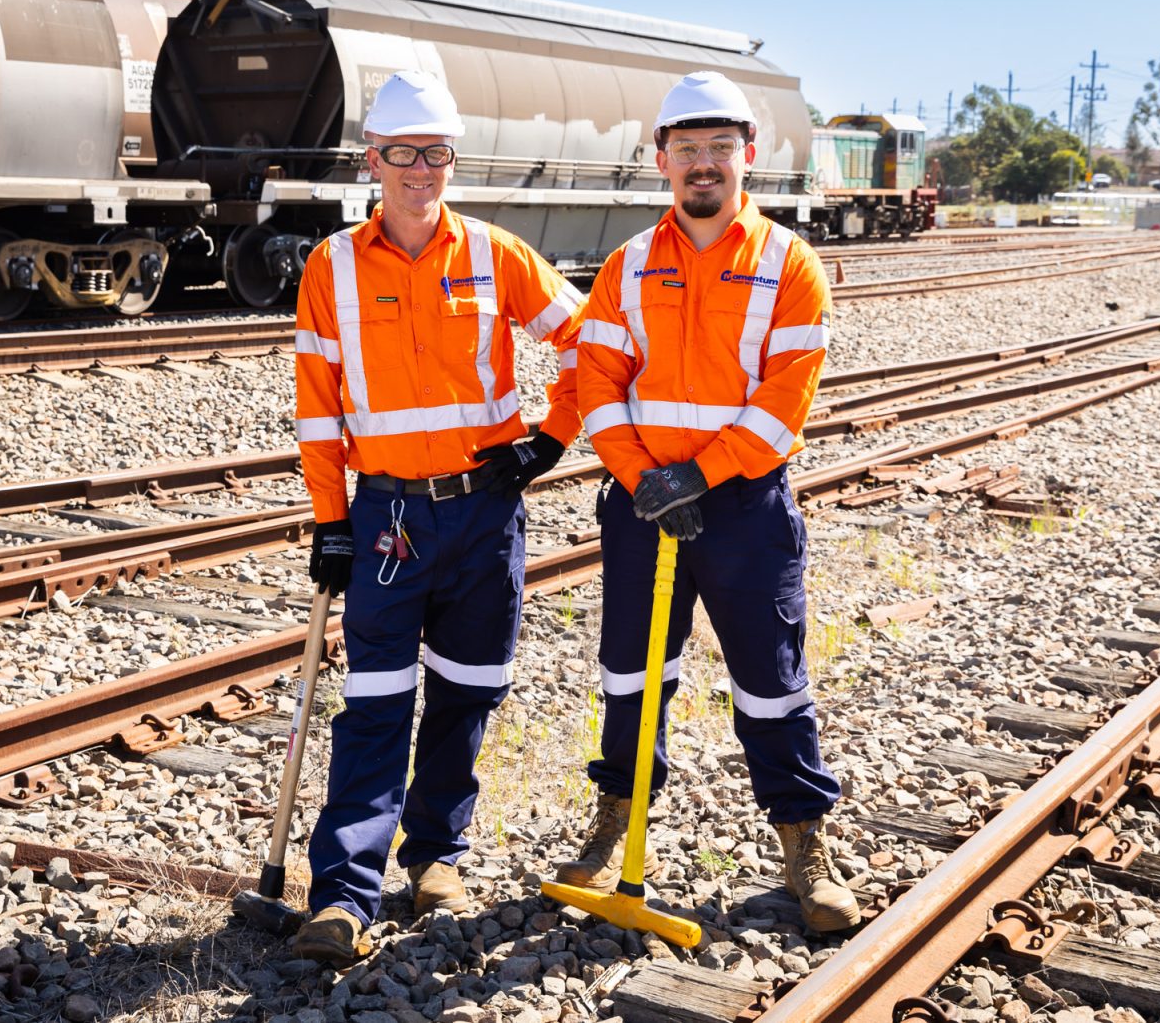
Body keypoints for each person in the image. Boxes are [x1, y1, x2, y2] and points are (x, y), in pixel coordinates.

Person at [291, 70, 585, 962]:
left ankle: (435, 859)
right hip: (386, 518)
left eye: (437, 153)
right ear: (373, 160)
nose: (421, 170)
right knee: (375, 701)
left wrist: (550, 440)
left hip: (483, 515)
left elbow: (596, 342)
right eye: (403, 153)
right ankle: (344, 896)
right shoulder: (331, 266)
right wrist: (330, 517)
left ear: (453, 159)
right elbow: (317, 405)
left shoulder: (498, 254)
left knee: (466, 692)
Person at [560, 71, 859, 933]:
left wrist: (702, 475)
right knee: (632, 672)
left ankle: (804, 839)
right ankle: (618, 817)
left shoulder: (786, 263)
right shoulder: (628, 264)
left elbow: (785, 396)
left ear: (748, 157)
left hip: (744, 507)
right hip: (642, 499)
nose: (703, 165)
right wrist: (643, 476)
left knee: (771, 680)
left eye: (719, 149)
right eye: (687, 149)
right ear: (660, 161)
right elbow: (597, 379)